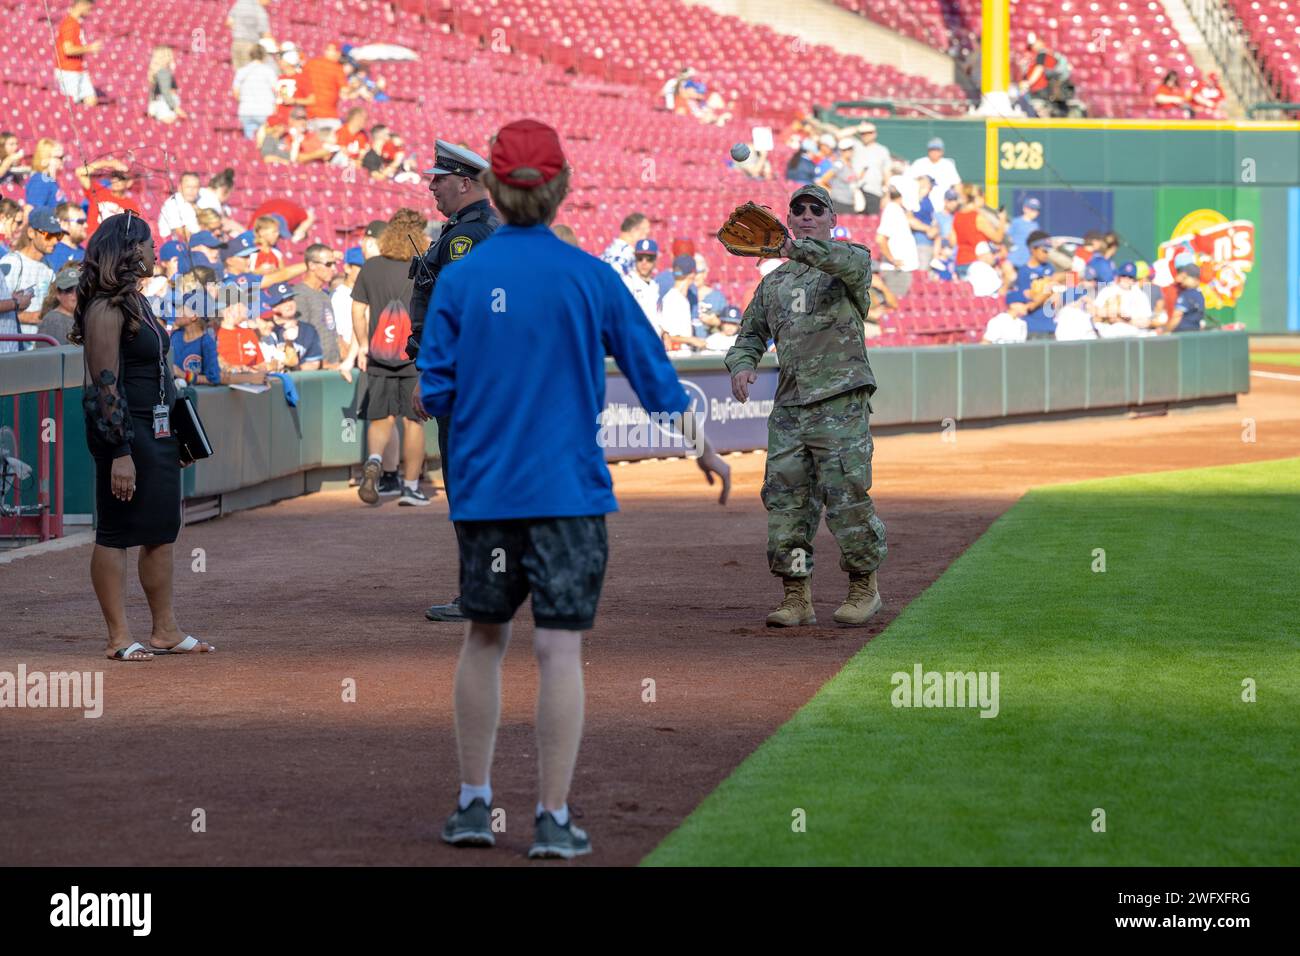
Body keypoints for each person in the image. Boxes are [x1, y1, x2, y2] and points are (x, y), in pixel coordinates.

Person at [415, 118, 729, 859]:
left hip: (487, 496)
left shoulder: (462, 275)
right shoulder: (593, 276)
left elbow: (434, 391)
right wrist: (701, 447)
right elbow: (657, 383)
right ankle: (552, 819)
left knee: (484, 638)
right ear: (560, 190)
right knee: (558, 651)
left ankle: (472, 804)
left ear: (491, 186)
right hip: (570, 496)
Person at [725, 182, 886, 629]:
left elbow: (831, 257)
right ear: (789, 218)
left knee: (847, 496)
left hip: (840, 402)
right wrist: (742, 365)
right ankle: (796, 596)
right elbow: (749, 336)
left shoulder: (851, 262)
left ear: (833, 219)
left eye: (818, 209)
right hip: (792, 409)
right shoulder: (773, 284)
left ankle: (863, 587)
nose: (808, 215)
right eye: (799, 210)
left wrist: (791, 248)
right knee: (787, 504)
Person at [69, 211, 213, 662]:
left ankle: (165, 630)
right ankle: (117, 637)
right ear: (130, 250)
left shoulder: (136, 301)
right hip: (127, 434)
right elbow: (104, 385)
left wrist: (178, 434)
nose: (156, 251)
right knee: (115, 532)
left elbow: (157, 371)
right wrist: (121, 452)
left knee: (160, 530)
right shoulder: (104, 309)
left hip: (159, 431)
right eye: (150, 244)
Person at [400, 140, 502, 621]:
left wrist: (432, 373)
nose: (431, 185)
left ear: (464, 182)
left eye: (439, 178)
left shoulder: (466, 239)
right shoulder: (482, 231)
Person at [350, 208, 432, 508]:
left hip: (378, 355)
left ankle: (375, 462)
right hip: (414, 357)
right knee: (414, 423)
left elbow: (357, 310)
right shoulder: (424, 265)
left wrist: (362, 344)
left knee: (380, 418)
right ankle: (410, 488)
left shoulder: (371, 267)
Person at [1, 207, 63, 331]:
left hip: (39, 343)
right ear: (31, 233)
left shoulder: (49, 268)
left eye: (58, 235)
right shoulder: (13, 262)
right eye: (49, 235)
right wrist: (32, 317)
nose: (55, 241)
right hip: (14, 344)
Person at [1005, 230, 1060, 339]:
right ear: (1032, 249)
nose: (1046, 254)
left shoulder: (1049, 268)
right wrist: (1048, 289)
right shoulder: (1024, 272)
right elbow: (1029, 296)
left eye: (1048, 251)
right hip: (1033, 328)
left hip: (1050, 325)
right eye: (1044, 250)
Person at [294, 242, 342, 365]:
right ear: (311, 265)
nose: (334, 269)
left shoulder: (325, 295)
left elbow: (330, 331)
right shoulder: (299, 294)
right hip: (315, 370)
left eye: (334, 264)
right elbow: (301, 339)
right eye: (328, 264)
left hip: (334, 366)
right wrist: (321, 363)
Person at [75, 157, 142, 236]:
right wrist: (110, 163)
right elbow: (79, 172)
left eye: (121, 178)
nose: (116, 180)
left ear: (129, 182)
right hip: (92, 241)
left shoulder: (132, 207)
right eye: (114, 175)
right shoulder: (99, 191)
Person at [169, 291, 223, 384]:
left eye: (182, 309)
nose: (177, 312)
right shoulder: (175, 336)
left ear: (194, 316)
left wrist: (184, 375)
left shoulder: (206, 342)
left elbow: (213, 379)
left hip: (194, 396)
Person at [55, 0, 102, 106]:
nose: (90, 12)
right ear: (81, 5)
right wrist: (90, 48)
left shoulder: (76, 23)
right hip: (68, 70)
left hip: (78, 69)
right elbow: (68, 49)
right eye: (89, 8)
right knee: (72, 105)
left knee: (91, 100)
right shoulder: (70, 23)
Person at [265, 281, 323, 368]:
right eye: (282, 301)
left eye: (290, 299)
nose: (289, 304)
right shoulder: (267, 329)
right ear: (273, 306)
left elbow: (314, 363)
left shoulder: (308, 330)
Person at [875, 186, 919, 300]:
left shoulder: (897, 210)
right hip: (895, 271)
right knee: (895, 308)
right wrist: (893, 260)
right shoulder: (892, 209)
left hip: (899, 270)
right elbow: (880, 239)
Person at [659, 255, 706, 353]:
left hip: (682, 353)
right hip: (675, 356)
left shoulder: (681, 297)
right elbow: (667, 336)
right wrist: (692, 340)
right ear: (692, 274)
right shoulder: (673, 298)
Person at [232, 45, 279, 140]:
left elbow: (236, 93)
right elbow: (276, 91)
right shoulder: (269, 71)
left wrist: (246, 102)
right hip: (265, 110)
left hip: (246, 110)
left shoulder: (242, 71)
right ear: (264, 56)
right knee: (265, 141)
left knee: (250, 142)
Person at [302, 43, 348, 134]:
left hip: (309, 113)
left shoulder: (310, 63)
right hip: (328, 115)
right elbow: (345, 92)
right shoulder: (337, 68)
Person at [907, 137, 960, 206]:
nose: (934, 152)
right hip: (921, 203)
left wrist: (957, 199)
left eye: (937, 150)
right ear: (928, 151)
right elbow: (908, 180)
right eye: (932, 150)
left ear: (942, 151)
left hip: (943, 204)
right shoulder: (919, 163)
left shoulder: (947, 165)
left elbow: (957, 184)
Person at [37, 264, 80, 344]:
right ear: (58, 294)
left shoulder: (86, 317)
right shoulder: (53, 321)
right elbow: (49, 355)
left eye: (79, 288)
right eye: (69, 290)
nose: (75, 294)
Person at [1158, 263, 1206, 333]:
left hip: (1182, 335)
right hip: (1194, 333)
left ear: (1195, 279)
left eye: (1185, 277)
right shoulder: (1199, 294)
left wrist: (1165, 331)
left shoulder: (1188, 294)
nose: (1182, 280)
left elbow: (1176, 317)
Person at [623, 237, 660, 326]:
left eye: (649, 258)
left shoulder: (655, 286)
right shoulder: (627, 282)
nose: (644, 262)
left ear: (655, 260)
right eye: (640, 258)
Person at [600, 212, 649, 277]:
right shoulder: (624, 254)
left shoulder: (612, 249)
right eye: (645, 234)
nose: (645, 238)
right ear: (634, 231)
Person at [227, 0, 271, 71]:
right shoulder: (260, 11)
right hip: (250, 46)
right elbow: (265, 34)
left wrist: (240, 28)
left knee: (239, 74)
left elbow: (229, 22)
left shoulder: (241, 2)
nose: (270, 2)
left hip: (236, 44)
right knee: (250, 73)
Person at [146, 45, 185, 124]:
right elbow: (166, 94)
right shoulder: (164, 73)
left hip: (161, 105)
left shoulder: (159, 73)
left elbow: (152, 94)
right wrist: (178, 110)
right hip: (165, 106)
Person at [24, 139, 68, 209]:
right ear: (45, 160)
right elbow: (30, 211)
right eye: (60, 157)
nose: (64, 160)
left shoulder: (50, 180)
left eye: (64, 156)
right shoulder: (41, 180)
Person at [157, 172, 201, 241]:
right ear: (179, 187)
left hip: (196, 241)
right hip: (173, 244)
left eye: (195, 187)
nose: (192, 190)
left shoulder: (200, 199)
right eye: (188, 187)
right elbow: (182, 233)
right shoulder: (172, 204)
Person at [45, 202, 87, 270]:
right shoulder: (50, 253)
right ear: (64, 224)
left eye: (85, 221)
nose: (86, 225)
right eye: (80, 222)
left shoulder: (86, 254)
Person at [1007, 196, 1041, 268]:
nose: (1035, 212)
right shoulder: (1016, 222)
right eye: (1032, 209)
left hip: (1027, 262)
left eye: (1037, 210)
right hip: (1014, 260)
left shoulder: (1035, 225)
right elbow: (1008, 238)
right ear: (1025, 208)